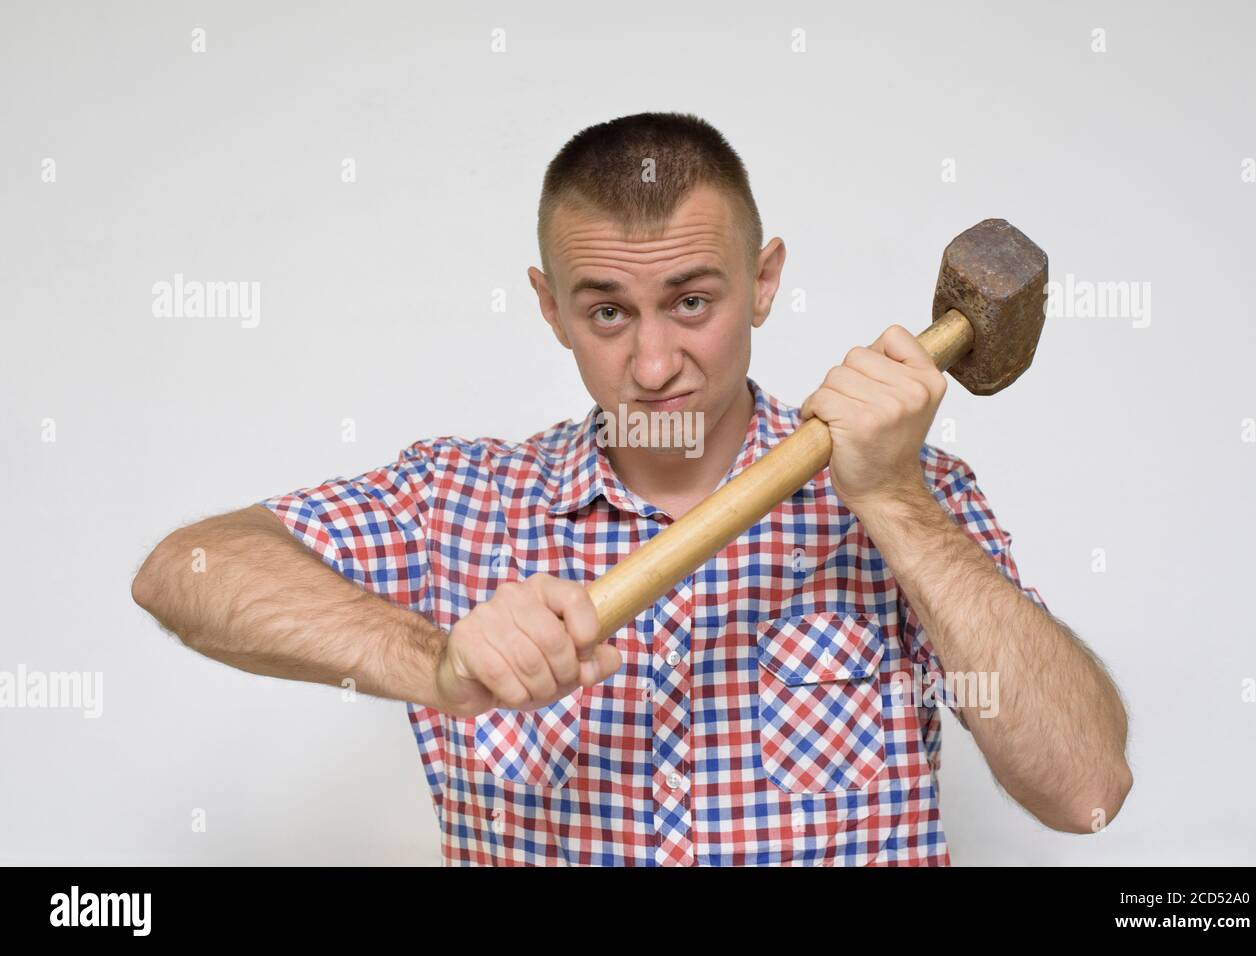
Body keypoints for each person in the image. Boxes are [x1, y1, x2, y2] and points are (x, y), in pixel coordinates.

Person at [132, 111, 1132, 866]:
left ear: (765, 278)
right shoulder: (455, 502)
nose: (655, 363)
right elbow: (183, 570)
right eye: (607, 311)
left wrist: (897, 504)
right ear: (549, 308)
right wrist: (428, 657)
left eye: (692, 301)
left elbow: (1084, 786)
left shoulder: (915, 497)